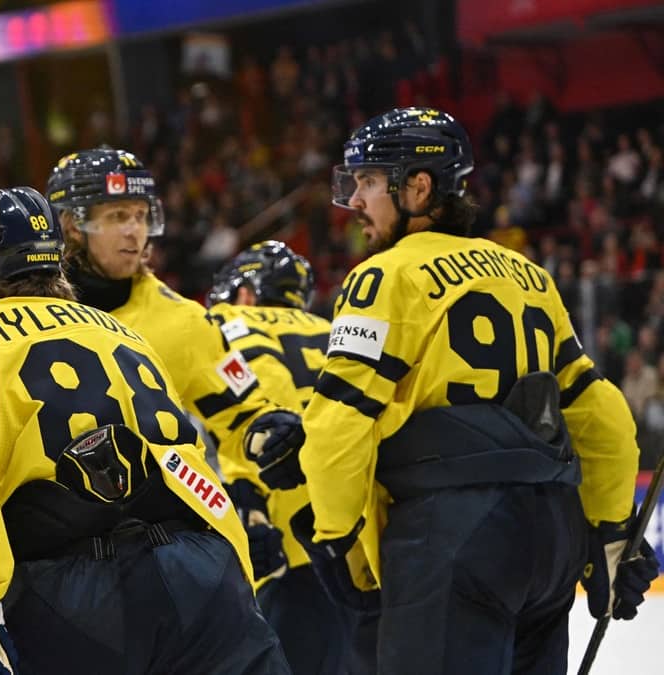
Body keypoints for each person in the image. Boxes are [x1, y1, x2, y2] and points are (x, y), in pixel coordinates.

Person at [253, 107, 660, 674]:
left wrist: (342, 546)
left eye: (369, 182)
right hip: (550, 533)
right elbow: (603, 412)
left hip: (452, 536)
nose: (355, 202)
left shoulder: (384, 275)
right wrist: (614, 536)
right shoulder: (527, 274)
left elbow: (339, 424)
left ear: (419, 188)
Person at [0, 186, 292, 675]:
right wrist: (237, 577)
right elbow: (188, 459)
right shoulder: (122, 331)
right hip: (204, 573)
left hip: (75, 595)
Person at [45, 148, 306, 585]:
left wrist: (268, 445)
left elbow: (243, 417)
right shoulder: (28, 311)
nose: (135, 231)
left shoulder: (183, 321)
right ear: (72, 225)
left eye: (141, 215)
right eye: (116, 216)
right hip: (55, 552)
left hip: (156, 552)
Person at [207, 241, 375, 675]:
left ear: (245, 293)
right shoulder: (333, 329)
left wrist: (249, 502)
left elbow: (262, 419)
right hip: (359, 538)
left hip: (282, 541)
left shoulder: (227, 322)